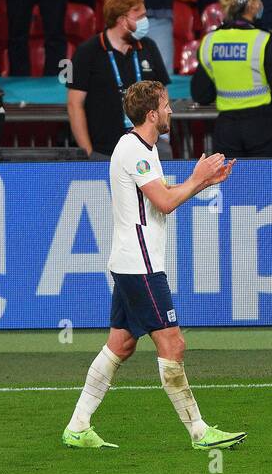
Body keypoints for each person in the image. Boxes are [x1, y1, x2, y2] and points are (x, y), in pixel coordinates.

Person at [62, 78, 243, 452]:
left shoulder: (140, 146)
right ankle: (198, 431)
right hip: (140, 266)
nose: (171, 110)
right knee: (173, 344)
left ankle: (78, 426)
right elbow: (164, 202)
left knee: (121, 345)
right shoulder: (136, 151)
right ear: (151, 113)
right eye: (166, 105)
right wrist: (198, 178)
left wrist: (201, 184)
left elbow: (163, 199)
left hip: (132, 262)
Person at [192, 0, 272, 156]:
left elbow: (201, 94)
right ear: (252, 5)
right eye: (259, 0)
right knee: (268, 183)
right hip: (263, 128)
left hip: (226, 131)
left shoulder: (210, 41)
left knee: (233, 184)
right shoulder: (262, 40)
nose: (262, 4)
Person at [68, 0, 170, 159]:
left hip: (150, 150)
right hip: (105, 152)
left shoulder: (148, 47)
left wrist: (163, 139)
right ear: (122, 20)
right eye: (139, 17)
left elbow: (163, 95)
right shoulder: (87, 52)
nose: (145, 22)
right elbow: (74, 105)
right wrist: (88, 153)